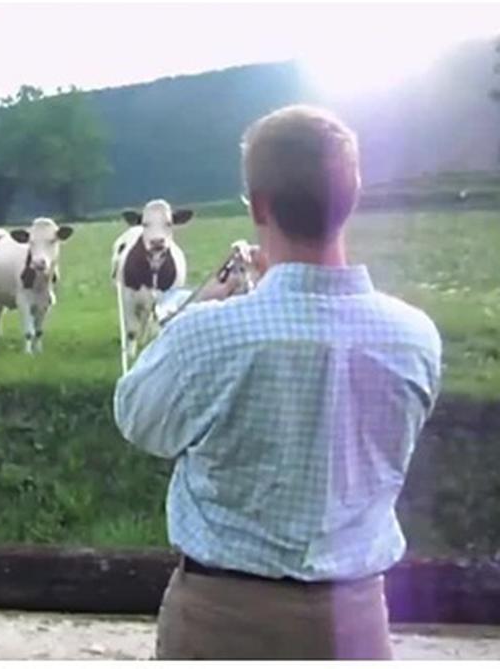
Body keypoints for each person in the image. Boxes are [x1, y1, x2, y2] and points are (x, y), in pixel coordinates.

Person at [113, 105, 442, 660]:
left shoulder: (208, 334)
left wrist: (200, 309)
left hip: (222, 618)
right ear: (352, 196)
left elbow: (138, 420)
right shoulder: (414, 336)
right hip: (358, 621)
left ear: (260, 204)